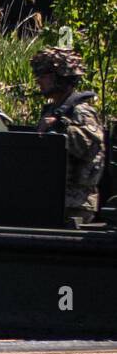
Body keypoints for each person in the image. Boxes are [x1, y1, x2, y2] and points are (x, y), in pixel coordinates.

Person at [31, 47, 107, 225]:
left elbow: (89, 147)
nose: (38, 80)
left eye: (44, 74)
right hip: (52, 199)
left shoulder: (81, 111)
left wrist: (60, 127)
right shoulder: (55, 109)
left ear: (60, 77)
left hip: (75, 204)